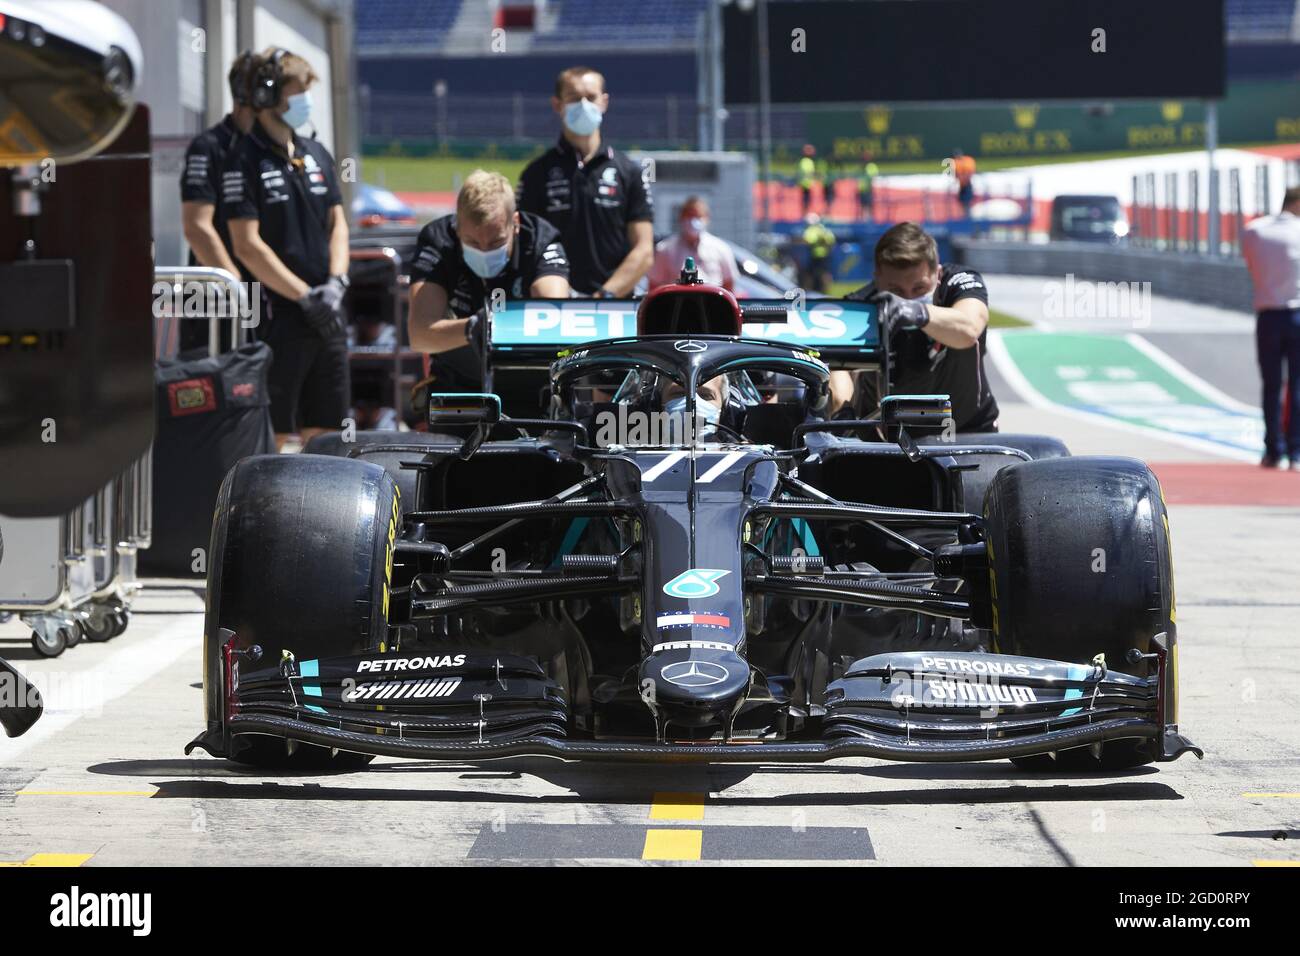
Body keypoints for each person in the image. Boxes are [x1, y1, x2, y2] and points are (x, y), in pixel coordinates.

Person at [222, 48, 350, 447]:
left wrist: (336, 282)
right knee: (271, 435)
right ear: (266, 97)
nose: (305, 103)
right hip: (276, 318)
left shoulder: (317, 154)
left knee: (328, 433)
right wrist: (304, 297)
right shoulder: (241, 160)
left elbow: (338, 224)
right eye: (298, 94)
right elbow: (246, 245)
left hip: (327, 313)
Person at [836, 222, 997, 432]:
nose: (908, 297)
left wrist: (917, 312)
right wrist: (843, 415)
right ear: (877, 279)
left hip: (968, 430)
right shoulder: (859, 306)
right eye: (896, 290)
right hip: (888, 440)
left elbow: (969, 328)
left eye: (919, 288)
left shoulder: (959, 282)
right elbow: (838, 373)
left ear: (937, 274)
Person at [407, 170, 571, 375]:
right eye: (473, 242)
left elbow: (556, 320)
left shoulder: (540, 241)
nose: (485, 251)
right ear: (457, 226)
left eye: (496, 242)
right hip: (455, 382)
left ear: (516, 223)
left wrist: (501, 324)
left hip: (530, 379)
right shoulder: (438, 241)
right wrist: (473, 328)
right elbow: (420, 335)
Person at [516, 66, 654, 297]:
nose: (583, 105)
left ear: (604, 102)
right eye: (573, 98)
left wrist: (604, 296)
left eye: (590, 97)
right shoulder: (536, 174)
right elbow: (524, 245)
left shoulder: (629, 171)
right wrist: (558, 293)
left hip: (617, 307)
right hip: (556, 305)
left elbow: (644, 250)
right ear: (557, 105)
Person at [178, 49, 260, 353]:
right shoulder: (208, 146)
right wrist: (235, 288)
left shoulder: (271, 149)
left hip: (266, 291)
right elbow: (197, 229)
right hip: (218, 295)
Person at [1241, 185, 1300, 469]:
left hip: (1267, 314)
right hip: (1297, 312)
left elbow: (1251, 265)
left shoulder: (1255, 230)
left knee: (1271, 385)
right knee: (1297, 385)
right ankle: (1296, 451)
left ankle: (1272, 450)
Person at [647, 196, 738, 291]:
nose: (693, 221)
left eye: (698, 216)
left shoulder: (721, 248)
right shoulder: (665, 249)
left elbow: (729, 283)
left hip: (711, 304)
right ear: (681, 217)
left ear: (707, 218)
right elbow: (654, 285)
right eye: (689, 216)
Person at [802, 213, 835, 294]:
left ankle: (809, 291)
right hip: (825, 255)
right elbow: (831, 240)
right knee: (824, 273)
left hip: (816, 255)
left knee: (810, 274)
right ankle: (825, 291)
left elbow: (808, 240)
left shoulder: (811, 230)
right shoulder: (823, 229)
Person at [951, 148, 976, 217]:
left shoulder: (967, 161)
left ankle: (967, 216)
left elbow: (970, 172)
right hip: (962, 185)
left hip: (966, 184)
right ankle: (966, 215)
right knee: (964, 202)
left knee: (966, 202)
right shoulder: (967, 161)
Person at [857, 149, 880, 222]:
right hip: (861, 189)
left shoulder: (871, 166)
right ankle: (863, 220)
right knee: (862, 206)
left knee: (869, 205)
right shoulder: (861, 166)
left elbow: (873, 176)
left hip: (868, 189)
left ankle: (871, 220)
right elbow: (859, 178)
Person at [797, 144, 818, 215]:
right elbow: (806, 172)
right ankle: (805, 213)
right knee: (806, 200)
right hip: (805, 184)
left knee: (808, 199)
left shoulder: (809, 161)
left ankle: (807, 212)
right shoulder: (805, 161)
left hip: (808, 184)